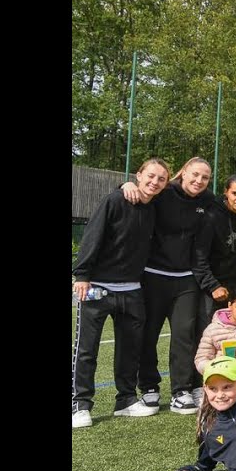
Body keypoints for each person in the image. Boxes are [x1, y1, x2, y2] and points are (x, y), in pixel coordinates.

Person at [72, 157, 169, 428]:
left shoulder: (155, 206)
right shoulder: (115, 200)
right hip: (97, 288)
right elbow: (93, 235)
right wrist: (82, 275)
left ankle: (125, 400)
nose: (155, 182)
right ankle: (80, 404)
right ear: (138, 175)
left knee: (129, 350)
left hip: (132, 291)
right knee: (86, 350)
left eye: (161, 179)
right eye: (150, 176)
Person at [131, 156, 215, 415]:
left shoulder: (208, 200)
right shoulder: (163, 192)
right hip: (153, 276)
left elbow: (234, 203)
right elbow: (140, 192)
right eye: (195, 174)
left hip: (186, 280)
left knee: (184, 335)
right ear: (183, 172)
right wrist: (124, 186)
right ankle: (149, 387)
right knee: (149, 334)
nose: (199, 180)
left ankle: (181, 391)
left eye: (205, 177)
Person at [196, 174, 236, 317]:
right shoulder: (211, 216)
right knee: (208, 328)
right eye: (235, 193)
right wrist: (213, 286)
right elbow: (198, 257)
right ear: (226, 192)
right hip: (213, 288)